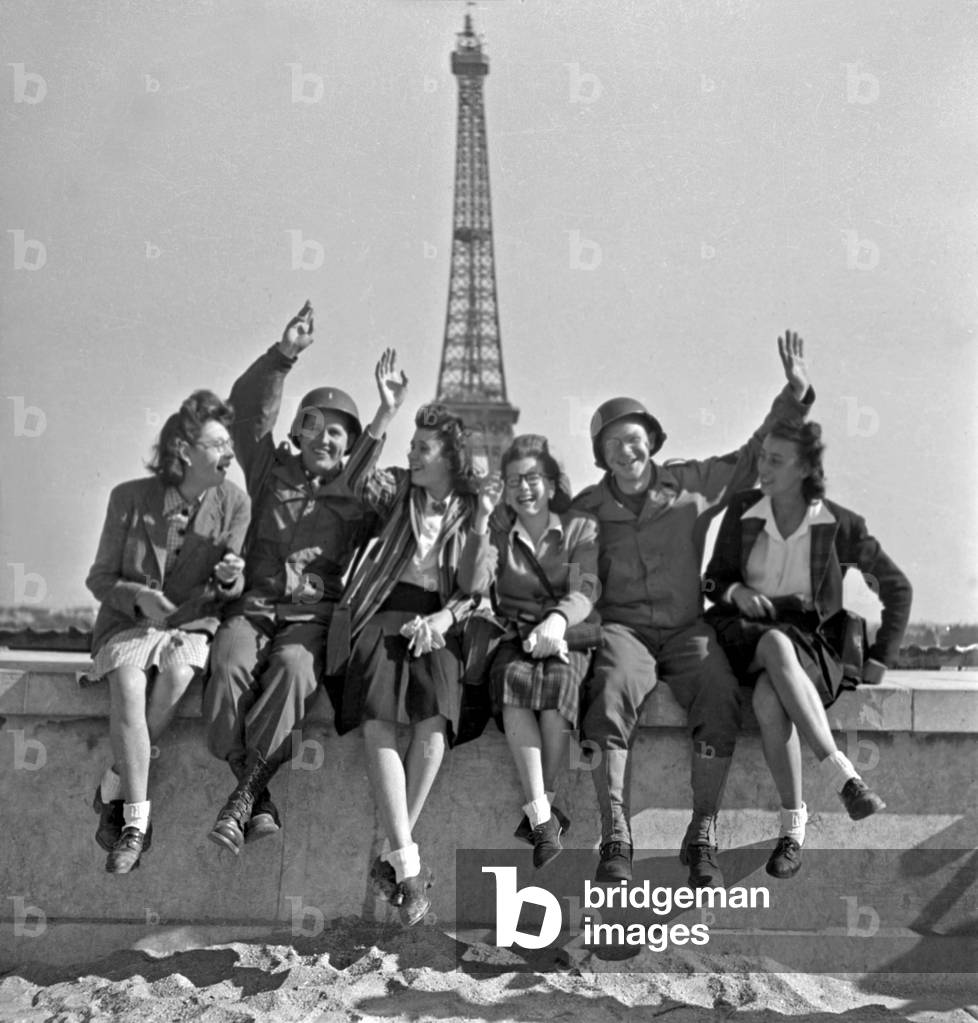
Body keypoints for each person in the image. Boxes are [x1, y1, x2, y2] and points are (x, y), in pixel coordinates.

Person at [573, 332, 813, 888]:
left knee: (719, 691)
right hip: (625, 632)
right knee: (607, 694)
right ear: (602, 459)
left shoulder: (689, 485)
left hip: (686, 628)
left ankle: (702, 830)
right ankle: (616, 835)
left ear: (651, 443)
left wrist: (793, 396)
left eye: (633, 442)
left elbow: (749, 457)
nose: (626, 454)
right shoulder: (588, 508)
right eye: (612, 448)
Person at [702, 420, 912, 878]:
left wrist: (880, 657)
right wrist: (735, 591)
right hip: (745, 630)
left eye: (776, 460)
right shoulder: (743, 508)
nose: (763, 468)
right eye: (762, 458)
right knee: (774, 643)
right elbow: (712, 579)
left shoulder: (840, 525)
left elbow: (897, 587)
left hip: (810, 644)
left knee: (766, 698)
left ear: (805, 468)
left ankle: (792, 830)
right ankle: (843, 776)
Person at [204, 302, 375, 854]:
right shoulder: (267, 470)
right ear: (297, 430)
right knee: (228, 668)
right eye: (314, 426)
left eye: (337, 435)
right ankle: (255, 795)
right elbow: (247, 413)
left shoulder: (357, 495)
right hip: (252, 608)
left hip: (310, 619)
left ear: (350, 449)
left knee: (296, 670)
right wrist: (284, 355)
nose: (324, 439)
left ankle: (243, 797)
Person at [326, 349, 478, 927]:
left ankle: (397, 855)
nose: (411, 453)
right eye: (410, 445)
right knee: (379, 720)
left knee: (434, 730)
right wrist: (386, 413)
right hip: (383, 613)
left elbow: (482, 588)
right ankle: (408, 865)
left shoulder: (474, 513)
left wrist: (444, 621)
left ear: (449, 457)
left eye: (421, 447)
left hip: (439, 622)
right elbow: (353, 478)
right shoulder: (397, 494)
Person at [87, 390, 249, 873]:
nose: (229, 452)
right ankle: (137, 823)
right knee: (130, 681)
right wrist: (138, 598)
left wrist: (229, 578)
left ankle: (118, 779)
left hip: (190, 623)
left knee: (178, 676)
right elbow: (98, 579)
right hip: (129, 623)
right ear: (183, 448)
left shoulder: (234, 502)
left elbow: (232, 581)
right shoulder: (129, 498)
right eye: (217, 443)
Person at [458, 435, 600, 869]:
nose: (524, 488)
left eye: (533, 478)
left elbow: (585, 587)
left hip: (564, 632)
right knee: (514, 683)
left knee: (558, 687)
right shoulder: (500, 531)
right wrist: (481, 520)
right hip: (516, 635)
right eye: (514, 480)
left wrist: (557, 620)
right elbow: (472, 584)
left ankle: (542, 811)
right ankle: (543, 819)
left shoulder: (579, 528)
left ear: (552, 482)